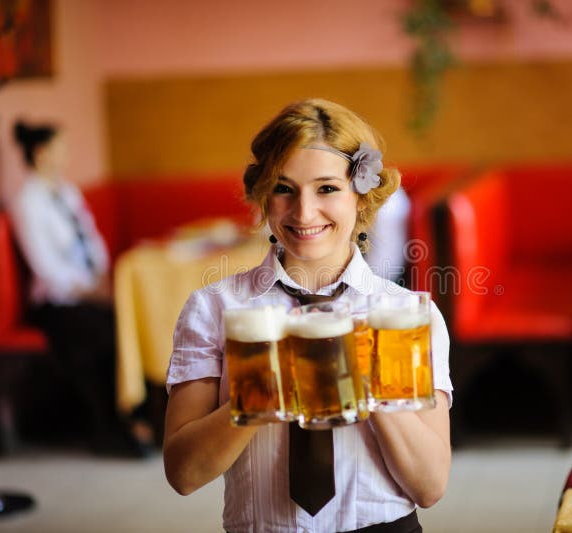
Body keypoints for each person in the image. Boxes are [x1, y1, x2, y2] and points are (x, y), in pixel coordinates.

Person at [163, 99, 452, 532]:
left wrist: (366, 383)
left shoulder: (408, 315)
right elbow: (183, 475)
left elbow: (429, 488)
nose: (303, 212)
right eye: (283, 188)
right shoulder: (214, 308)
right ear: (262, 194)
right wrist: (263, 397)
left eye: (327, 188)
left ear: (362, 194)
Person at [10, 120, 152, 457]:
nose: (66, 155)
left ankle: (138, 415)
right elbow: (46, 268)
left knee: (130, 321)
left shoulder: (65, 192)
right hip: (57, 302)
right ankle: (107, 426)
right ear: (41, 153)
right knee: (99, 334)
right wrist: (89, 291)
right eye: (61, 148)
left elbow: (90, 239)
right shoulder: (28, 203)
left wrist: (103, 278)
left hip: (88, 291)